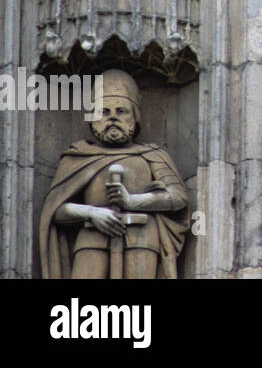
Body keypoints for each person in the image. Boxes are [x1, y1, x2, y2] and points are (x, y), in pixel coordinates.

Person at [39, 70, 188, 279]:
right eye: (104, 111)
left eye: (121, 111)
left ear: (134, 117)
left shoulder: (152, 155)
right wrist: (91, 213)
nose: (112, 118)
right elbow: (56, 210)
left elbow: (178, 197)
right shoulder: (77, 157)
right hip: (91, 238)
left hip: (142, 238)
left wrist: (132, 201)